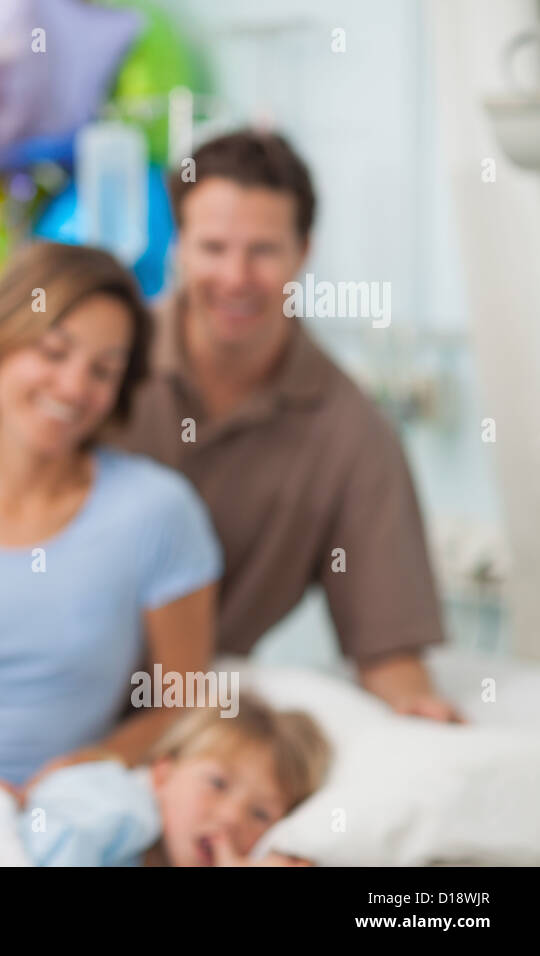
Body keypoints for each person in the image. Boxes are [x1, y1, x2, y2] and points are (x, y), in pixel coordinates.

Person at [111, 129, 460, 722]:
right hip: (39, 695)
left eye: (264, 250)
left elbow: (388, 648)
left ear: (304, 252)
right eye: (213, 247)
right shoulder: (101, 369)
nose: (236, 276)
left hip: (190, 726)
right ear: (179, 248)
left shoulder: (353, 436)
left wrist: (422, 718)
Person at [0, 241, 222, 808]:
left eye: (103, 370)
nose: (73, 387)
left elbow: (186, 704)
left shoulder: (155, 510)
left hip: (68, 822)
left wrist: (93, 765)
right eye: (52, 350)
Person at [22, 694, 331, 866]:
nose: (231, 817)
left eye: (260, 814)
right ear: (163, 774)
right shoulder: (122, 808)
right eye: (217, 784)